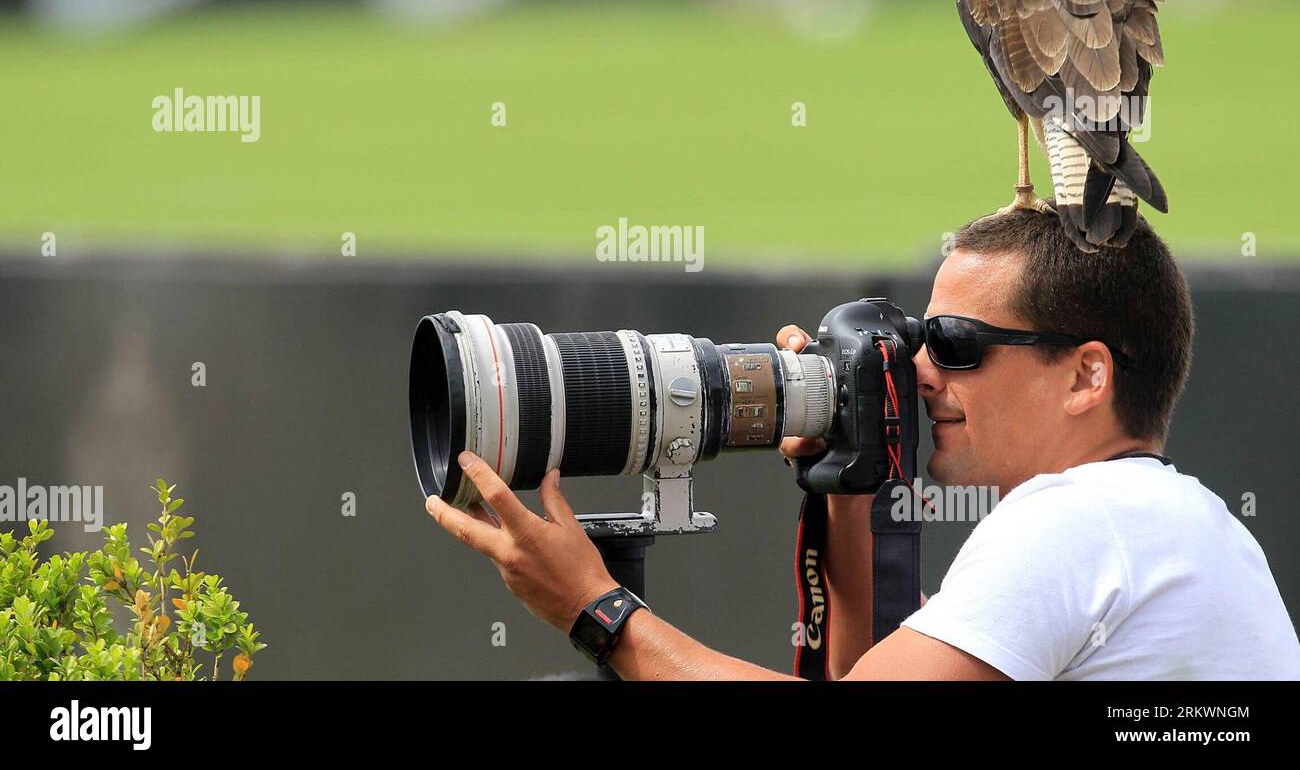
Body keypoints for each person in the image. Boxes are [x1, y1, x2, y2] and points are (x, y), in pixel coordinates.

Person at [425, 209, 1300, 679]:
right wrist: (852, 478)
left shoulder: (1079, 525)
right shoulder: (1180, 524)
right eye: (918, 340)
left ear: (1085, 377)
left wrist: (598, 611)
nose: (921, 372)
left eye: (958, 345)